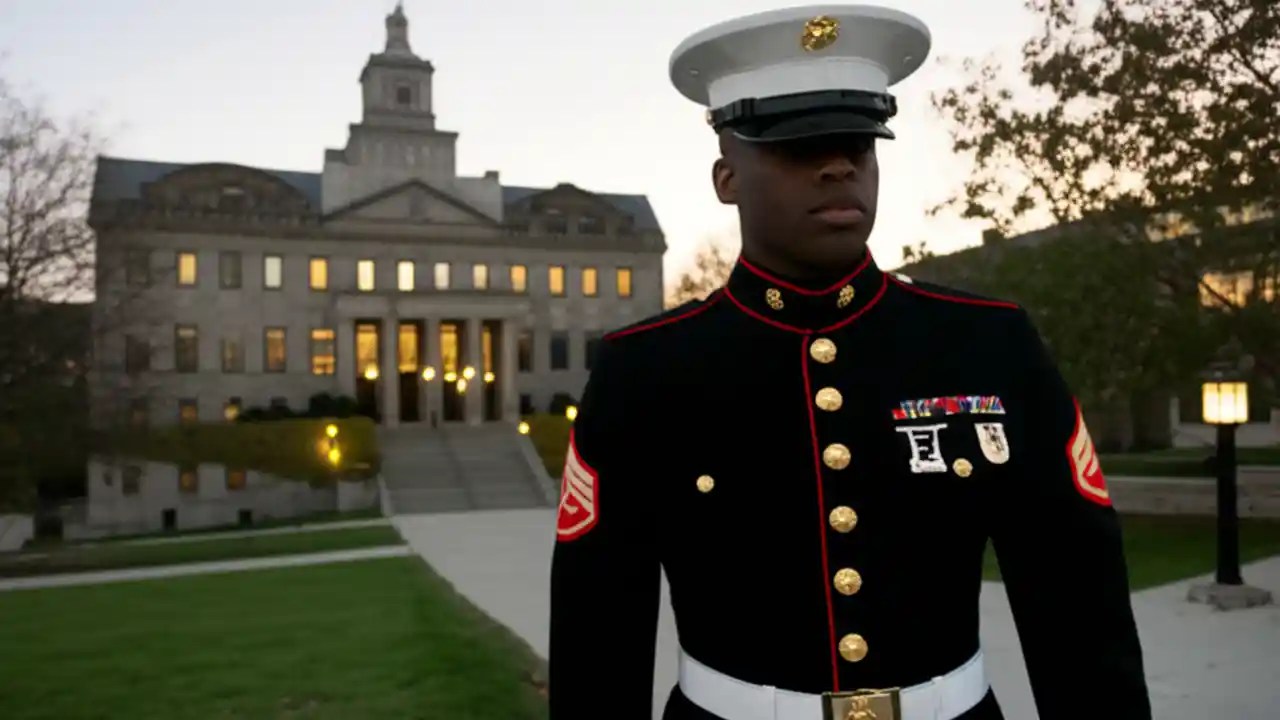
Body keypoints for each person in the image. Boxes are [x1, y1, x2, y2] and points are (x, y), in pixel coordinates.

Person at [548, 5, 1151, 719]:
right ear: (726, 177)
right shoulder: (644, 371)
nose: (838, 165)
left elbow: (1079, 609)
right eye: (798, 147)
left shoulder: (988, 345)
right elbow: (598, 643)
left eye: (858, 144)